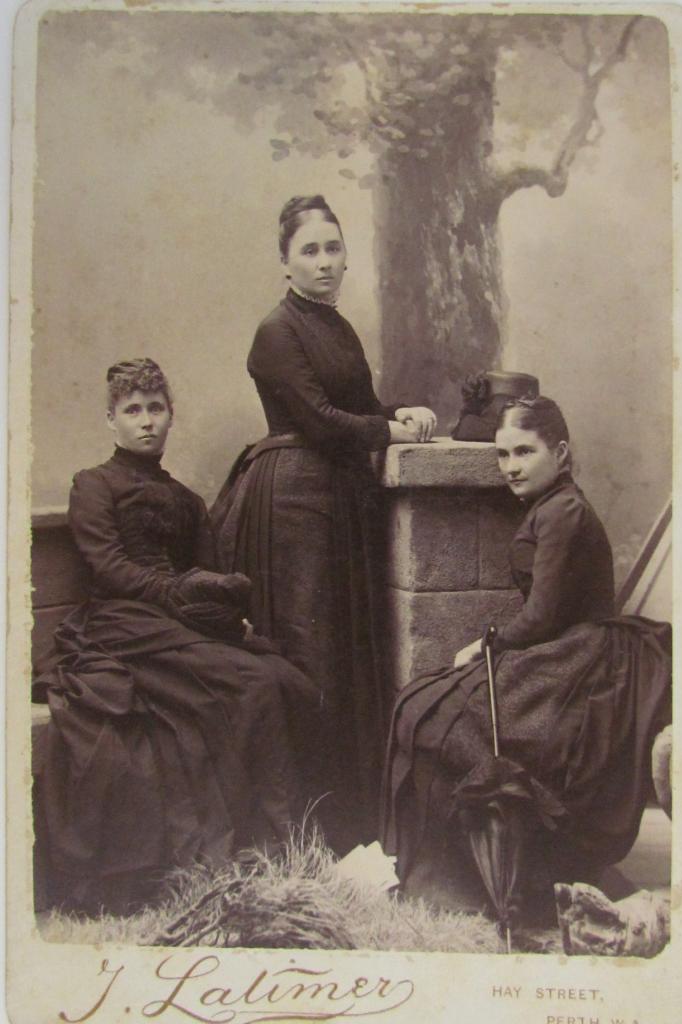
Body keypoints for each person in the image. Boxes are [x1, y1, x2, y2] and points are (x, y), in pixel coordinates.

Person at [33, 358, 319, 915]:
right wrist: (178, 594)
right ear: (110, 419)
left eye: (156, 409)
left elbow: (208, 576)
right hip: (121, 625)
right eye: (132, 410)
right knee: (252, 684)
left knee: (289, 679)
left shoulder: (187, 500)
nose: (146, 422)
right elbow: (108, 566)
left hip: (178, 623)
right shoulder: (93, 485)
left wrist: (220, 614)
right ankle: (274, 846)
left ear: (171, 417)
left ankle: (293, 844)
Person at [381, 396, 671, 923]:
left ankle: (479, 881)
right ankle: (456, 878)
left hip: (583, 660)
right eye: (502, 455)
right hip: (561, 651)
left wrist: (486, 644)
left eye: (524, 451)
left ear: (559, 453)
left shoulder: (563, 511)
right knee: (427, 706)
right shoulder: (551, 505)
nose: (511, 466)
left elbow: (540, 618)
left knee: (433, 711)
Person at [211, 195, 436, 849]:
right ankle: (303, 832)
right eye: (309, 250)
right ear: (284, 263)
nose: (325, 262)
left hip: (339, 500)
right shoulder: (276, 331)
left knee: (349, 654)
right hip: (295, 508)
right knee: (313, 658)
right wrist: (384, 426)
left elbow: (360, 407)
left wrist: (405, 414)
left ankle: (352, 828)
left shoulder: (338, 329)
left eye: (333, 248)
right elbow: (317, 420)